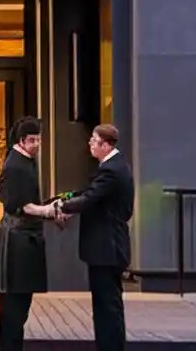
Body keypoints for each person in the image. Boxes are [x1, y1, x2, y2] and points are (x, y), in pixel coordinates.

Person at [54, 124, 134, 351]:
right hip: (107, 247)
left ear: (106, 145)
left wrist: (61, 207)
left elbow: (90, 198)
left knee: (107, 306)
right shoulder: (113, 167)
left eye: (94, 140)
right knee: (106, 304)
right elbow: (90, 196)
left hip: (106, 247)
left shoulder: (111, 171)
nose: (89, 143)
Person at [0, 116, 58, 351]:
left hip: (24, 238)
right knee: (14, 308)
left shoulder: (26, 160)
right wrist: (50, 211)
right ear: (21, 140)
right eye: (32, 140)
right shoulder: (16, 165)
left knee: (20, 305)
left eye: (39, 139)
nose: (37, 144)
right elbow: (26, 206)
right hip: (17, 241)